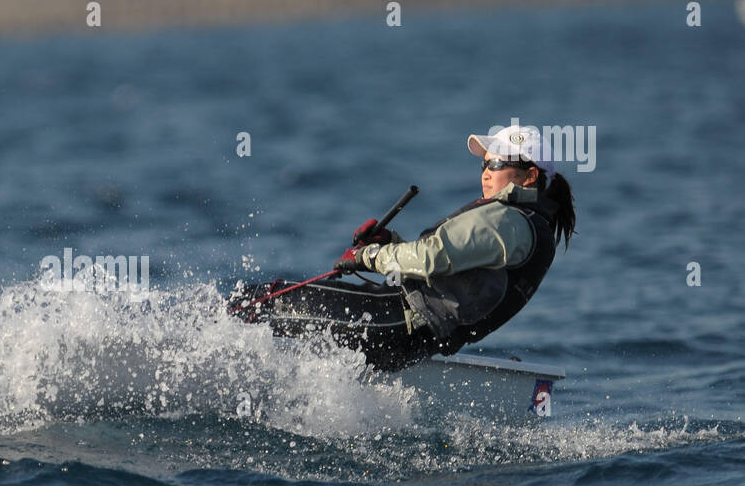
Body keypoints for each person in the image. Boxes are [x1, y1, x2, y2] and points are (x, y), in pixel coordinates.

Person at [229, 124, 576, 371]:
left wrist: (371, 255)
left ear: (530, 176)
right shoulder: (529, 225)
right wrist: (391, 245)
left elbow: (430, 257)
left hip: (394, 321)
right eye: (484, 163)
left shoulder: (508, 221)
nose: (486, 171)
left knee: (263, 298)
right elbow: (448, 268)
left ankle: (195, 355)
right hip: (410, 338)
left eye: (497, 163)